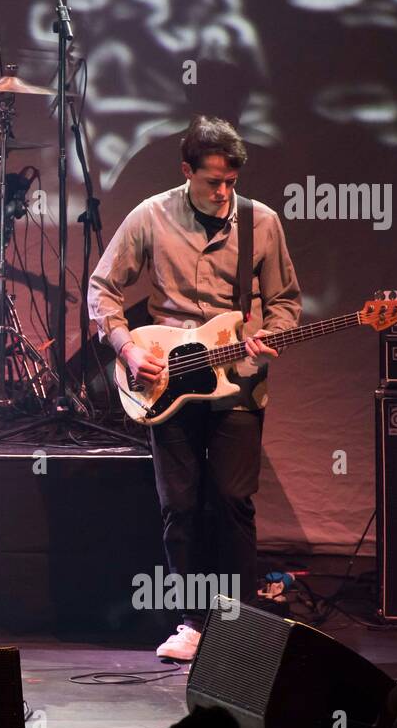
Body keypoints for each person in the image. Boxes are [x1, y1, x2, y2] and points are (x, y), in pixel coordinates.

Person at [87, 115, 301, 661]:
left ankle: (236, 625)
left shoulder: (263, 222)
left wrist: (269, 336)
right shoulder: (152, 216)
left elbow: (286, 305)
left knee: (231, 501)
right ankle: (191, 622)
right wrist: (129, 350)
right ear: (187, 171)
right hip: (166, 380)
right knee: (179, 507)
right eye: (213, 182)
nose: (224, 193)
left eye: (231, 182)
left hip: (237, 383)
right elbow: (104, 289)